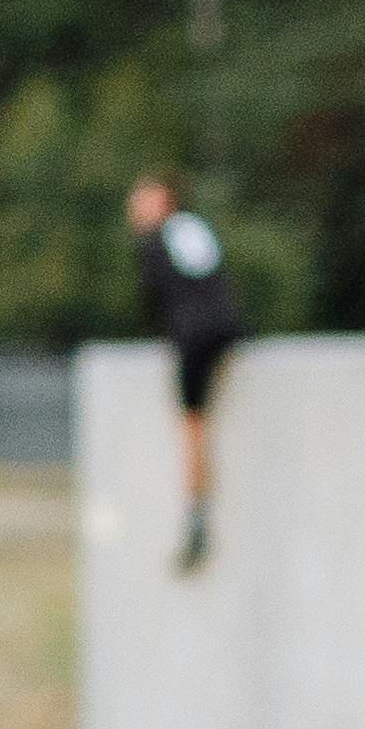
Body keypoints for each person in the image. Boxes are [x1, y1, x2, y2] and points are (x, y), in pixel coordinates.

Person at [132, 175, 241, 571]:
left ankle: (196, 512)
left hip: (194, 339)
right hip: (226, 328)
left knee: (192, 422)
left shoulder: (156, 242)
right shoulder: (193, 230)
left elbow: (154, 299)